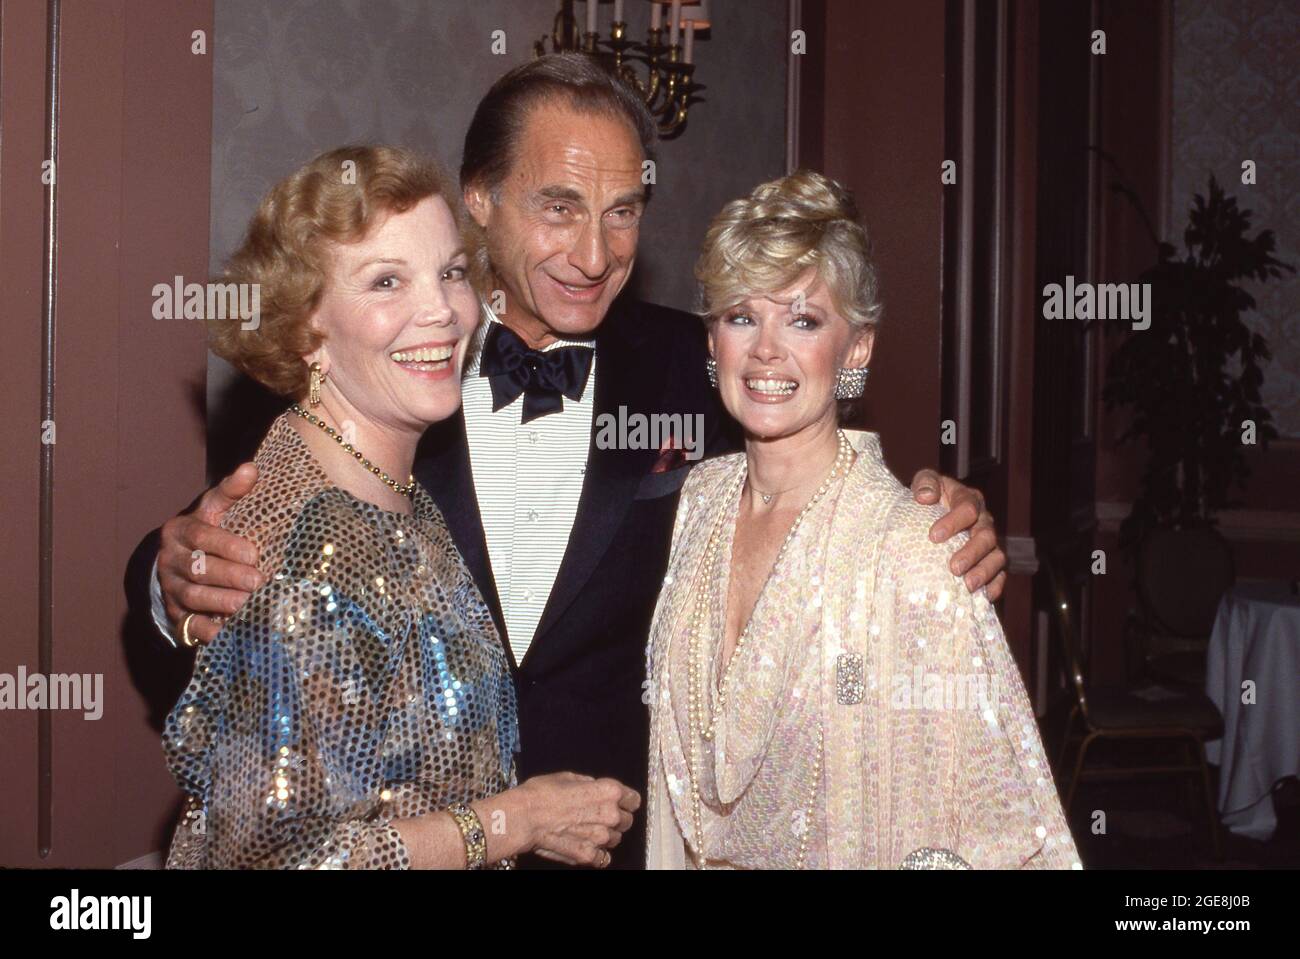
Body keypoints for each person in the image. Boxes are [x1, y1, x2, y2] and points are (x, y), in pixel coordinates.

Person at [131, 55, 1006, 870]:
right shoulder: (395, 368)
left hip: (620, 845)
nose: (596, 254)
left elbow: (809, 481)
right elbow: (235, 535)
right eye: (559, 207)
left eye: (622, 211)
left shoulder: (699, 365)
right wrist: (171, 585)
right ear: (479, 198)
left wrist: (928, 507)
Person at [164, 145, 636, 870]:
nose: (441, 311)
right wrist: (519, 818)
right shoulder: (322, 542)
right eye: (387, 281)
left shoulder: (386, 489)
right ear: (303, 330)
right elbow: (278, 862)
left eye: (450, 272)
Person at [646, 170, 1079, 869]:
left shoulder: (919, 546)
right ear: (711, 341)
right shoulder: (697, 501)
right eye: (741, 315)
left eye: (804, 319)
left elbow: (988, 830)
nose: (765, 350)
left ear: (858, 348)